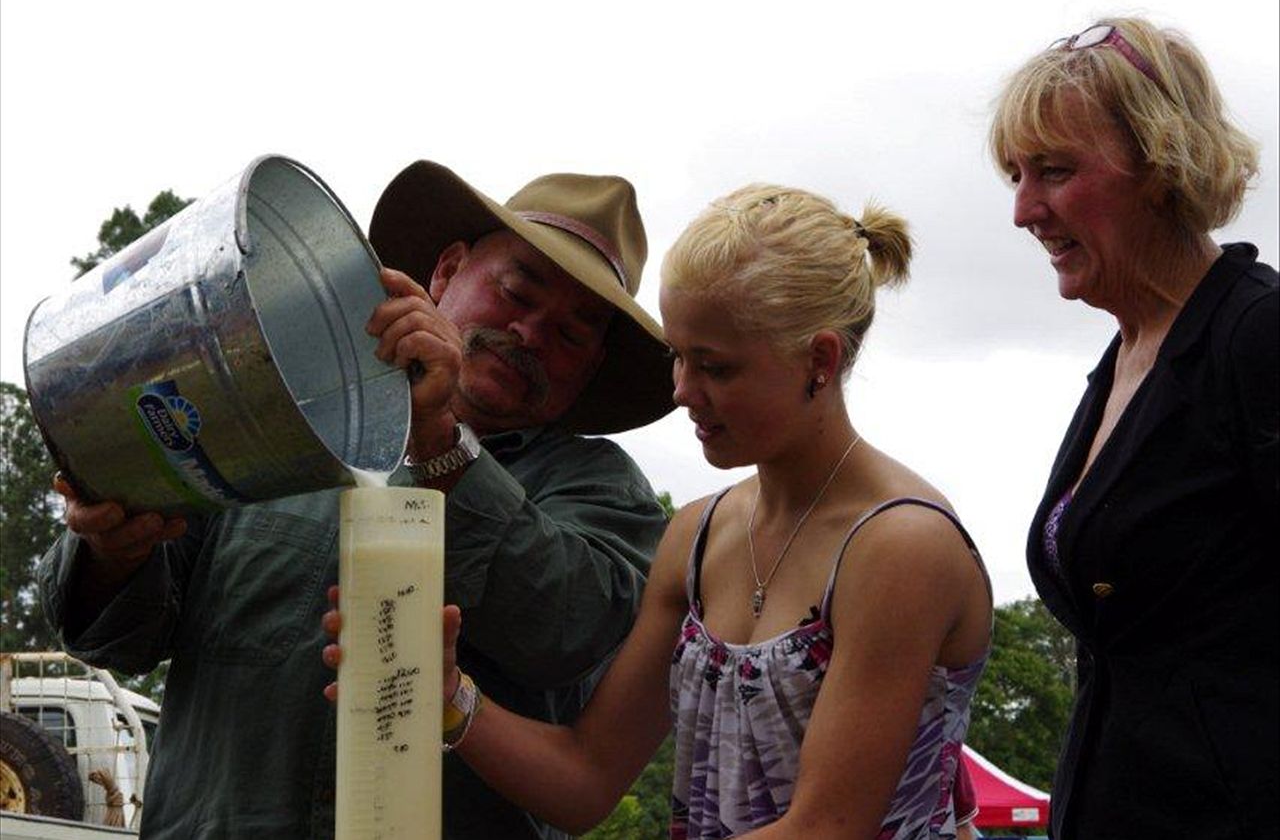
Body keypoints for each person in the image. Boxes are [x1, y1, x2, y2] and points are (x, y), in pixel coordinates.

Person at [327, 183, 994, 838]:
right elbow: (585, 779)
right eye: (678, 356)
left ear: (819, 359)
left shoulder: (901, 544)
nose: (681, 391)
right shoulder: (697, 536)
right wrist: (447, 697)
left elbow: (827, 825)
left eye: (715, 366)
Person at [38, 161, 676, 839]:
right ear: (447, 270)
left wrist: (443, 446)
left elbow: (570, 629)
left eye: (573, 333)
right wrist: (113, 548)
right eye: (518, 291)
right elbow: (116, 635)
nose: (530, 333)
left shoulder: (603, 491)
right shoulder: (274, 417)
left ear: (590, 368)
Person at [990, 16, 1278, 839]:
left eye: (1053, 171)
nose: (1022, 210)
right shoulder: (1123, 358)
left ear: (1161, 163)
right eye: (1014, 174)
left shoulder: (1257, 338)